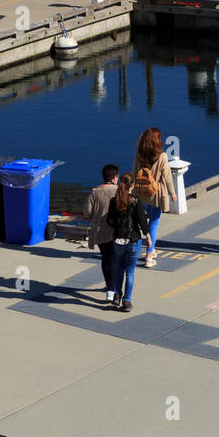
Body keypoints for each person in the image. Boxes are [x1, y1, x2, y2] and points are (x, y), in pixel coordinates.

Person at [132, 127, 177, 269]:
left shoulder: (139, 155)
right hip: (156, 194)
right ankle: (149, 254)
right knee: (154, 223)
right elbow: (167, 177)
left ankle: (150, 249)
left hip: (142, 193)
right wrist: (173, 193)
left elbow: (134, 172)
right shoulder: (161, 156)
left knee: (147, 220)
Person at [105, 173, 150, 312]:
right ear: (132, 185)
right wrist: (148, 236)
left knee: (119, 268)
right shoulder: (136, 201)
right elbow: (142, 221)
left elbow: (109, 221)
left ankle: (117, 294)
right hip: (133, 240)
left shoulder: (114, 201)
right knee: (130, 271)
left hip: (118, 240)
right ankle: (127, 300)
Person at [83, 164, 120, 303]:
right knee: (115, 260)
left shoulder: (95, 192)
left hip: (99, 231)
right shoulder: (120, 191)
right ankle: (113, 288)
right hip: (117, 231)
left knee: (106, 259)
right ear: (115, 177)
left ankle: (109, 287)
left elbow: (87, 212)